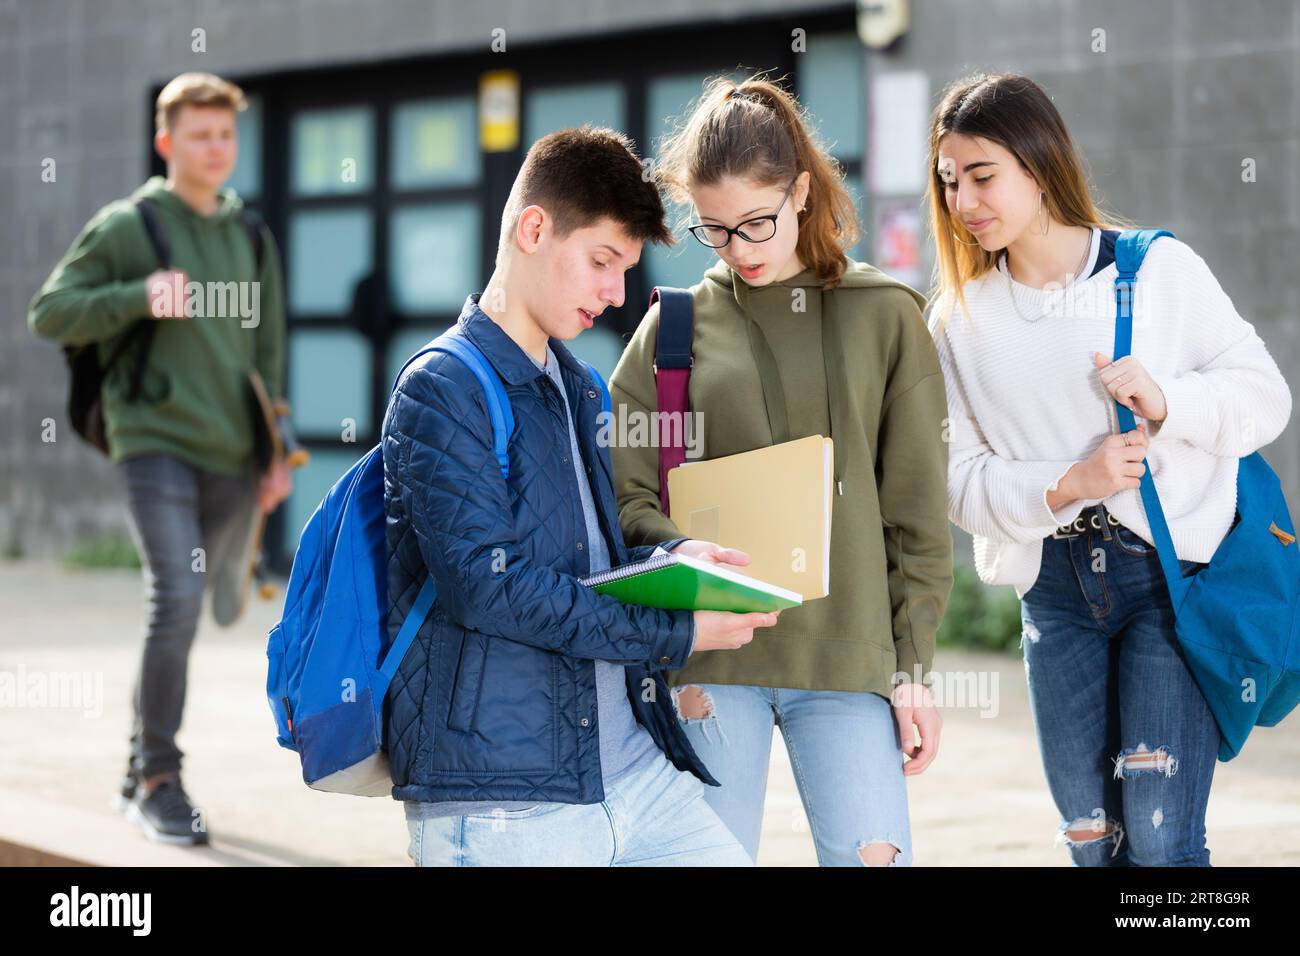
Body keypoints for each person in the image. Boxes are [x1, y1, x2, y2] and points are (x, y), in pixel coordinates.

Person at [925, 73, 1292, 865]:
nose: (964, 201)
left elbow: (1267, 399)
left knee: (1158, 839)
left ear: (1038, 161)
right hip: (1054, 595)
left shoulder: (1158, 271)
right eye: (950, 182)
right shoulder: (957, 317)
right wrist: (1070, 483)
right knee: (1093, 843)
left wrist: (1167, 401)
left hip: (1167, 579)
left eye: (982, 176)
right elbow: (955, 480)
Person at [385, 125, 777, 867]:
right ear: (534, 229)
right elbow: (487, 588)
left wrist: (674, 555)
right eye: (601, 261)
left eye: (625, 269)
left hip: (631, 775)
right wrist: (675, 636)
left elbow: (586, 555)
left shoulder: (577, 384)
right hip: (505, 803)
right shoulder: (442, 388)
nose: (615, 292)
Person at [609, 78, 954, 867]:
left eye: (758, 221)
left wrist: (914, 670)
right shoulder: (675, 327)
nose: (741, 249)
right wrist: (677, 549)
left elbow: (916, 515)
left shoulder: (886, 315)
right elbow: (628, 492)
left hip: (849, 661)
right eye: (716, 230)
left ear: (801, 190)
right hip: (712, 657)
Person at [28, 72, 292, 845]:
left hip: (234, 453)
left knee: (195, 609)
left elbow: (268, 352)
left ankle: (136, 762)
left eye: (226, 135)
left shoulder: (250, 235)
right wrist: (138, 296)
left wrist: (274, 451)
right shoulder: (129, 226)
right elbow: (50, 312)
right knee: (174, 597)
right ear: (166, 141)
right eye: (200, 135)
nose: (216, 149)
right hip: (152, 441)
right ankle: (157, 776)